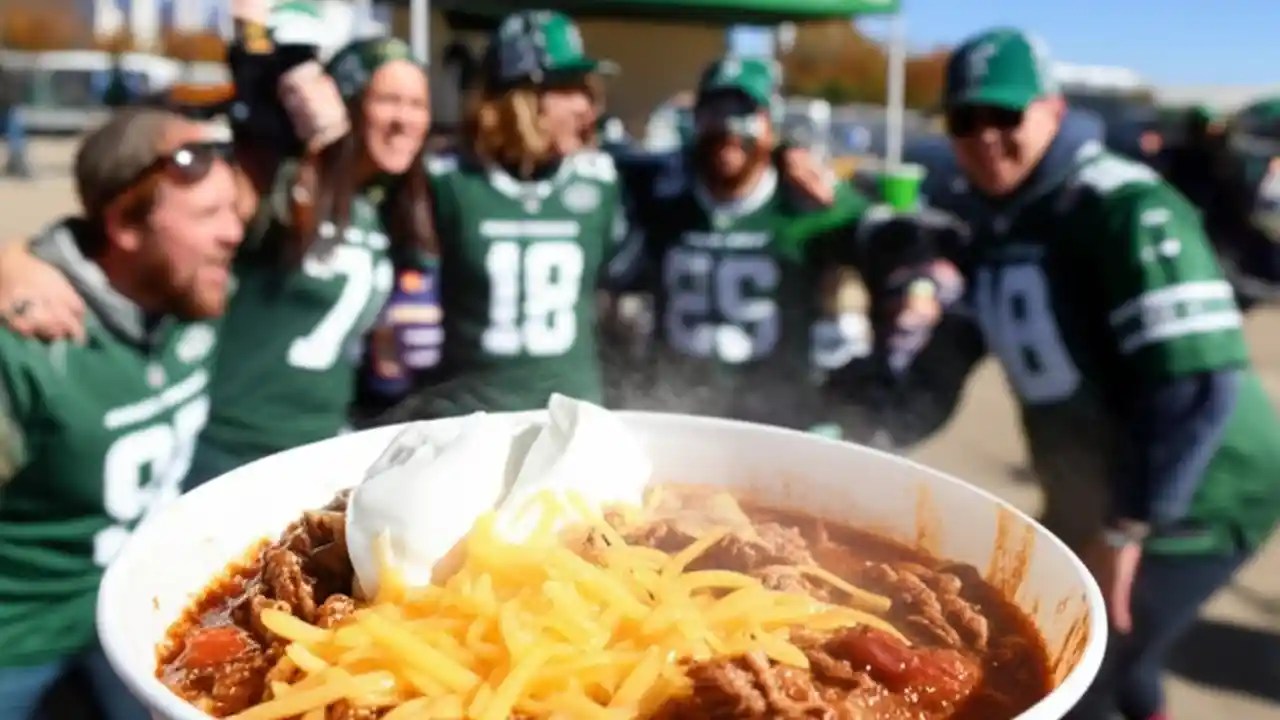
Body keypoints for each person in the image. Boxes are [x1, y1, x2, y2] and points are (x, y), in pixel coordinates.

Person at [844, 28, 1280, 720]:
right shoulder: (998, 220)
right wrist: (852, 421)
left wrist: (1128, 527)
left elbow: (1197, 384)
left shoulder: (1124, 206)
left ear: (1052, 110)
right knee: (1124, 659)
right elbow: (939, 372)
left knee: (1075, 674)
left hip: (1196, 493)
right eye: (965, 119)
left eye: (1004, 114)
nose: (984, 136)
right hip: (1094, 491)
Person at [0, 36, 435, 488]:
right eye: (388, 100)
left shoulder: (396, 203)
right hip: (230, 454)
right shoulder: (285, 186)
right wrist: (16, 262)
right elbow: (134, 225)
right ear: (347, 101)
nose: (404, 119)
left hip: (321, 448)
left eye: (418, 103)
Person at [0, 109, 243, 718]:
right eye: (210, 215)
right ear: (124, 226)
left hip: (144, 607)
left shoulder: (191, 286)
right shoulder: (34, 340)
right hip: (24, 641)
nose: (234, 232)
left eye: (234, 208)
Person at [379, 10, 624, 419]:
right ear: (520, 99)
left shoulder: (600, 182)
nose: (587, 106)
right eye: (567, 89)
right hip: (467, 420)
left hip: (572, 420)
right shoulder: (446, 182)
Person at [616, 56, 877, 430]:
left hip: (776, 414)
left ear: (770, 124)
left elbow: (884, 239)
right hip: (678, 408)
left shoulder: (805, 200)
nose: (727, 128)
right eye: (714, 112)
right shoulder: (664, 192)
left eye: (743, 113)